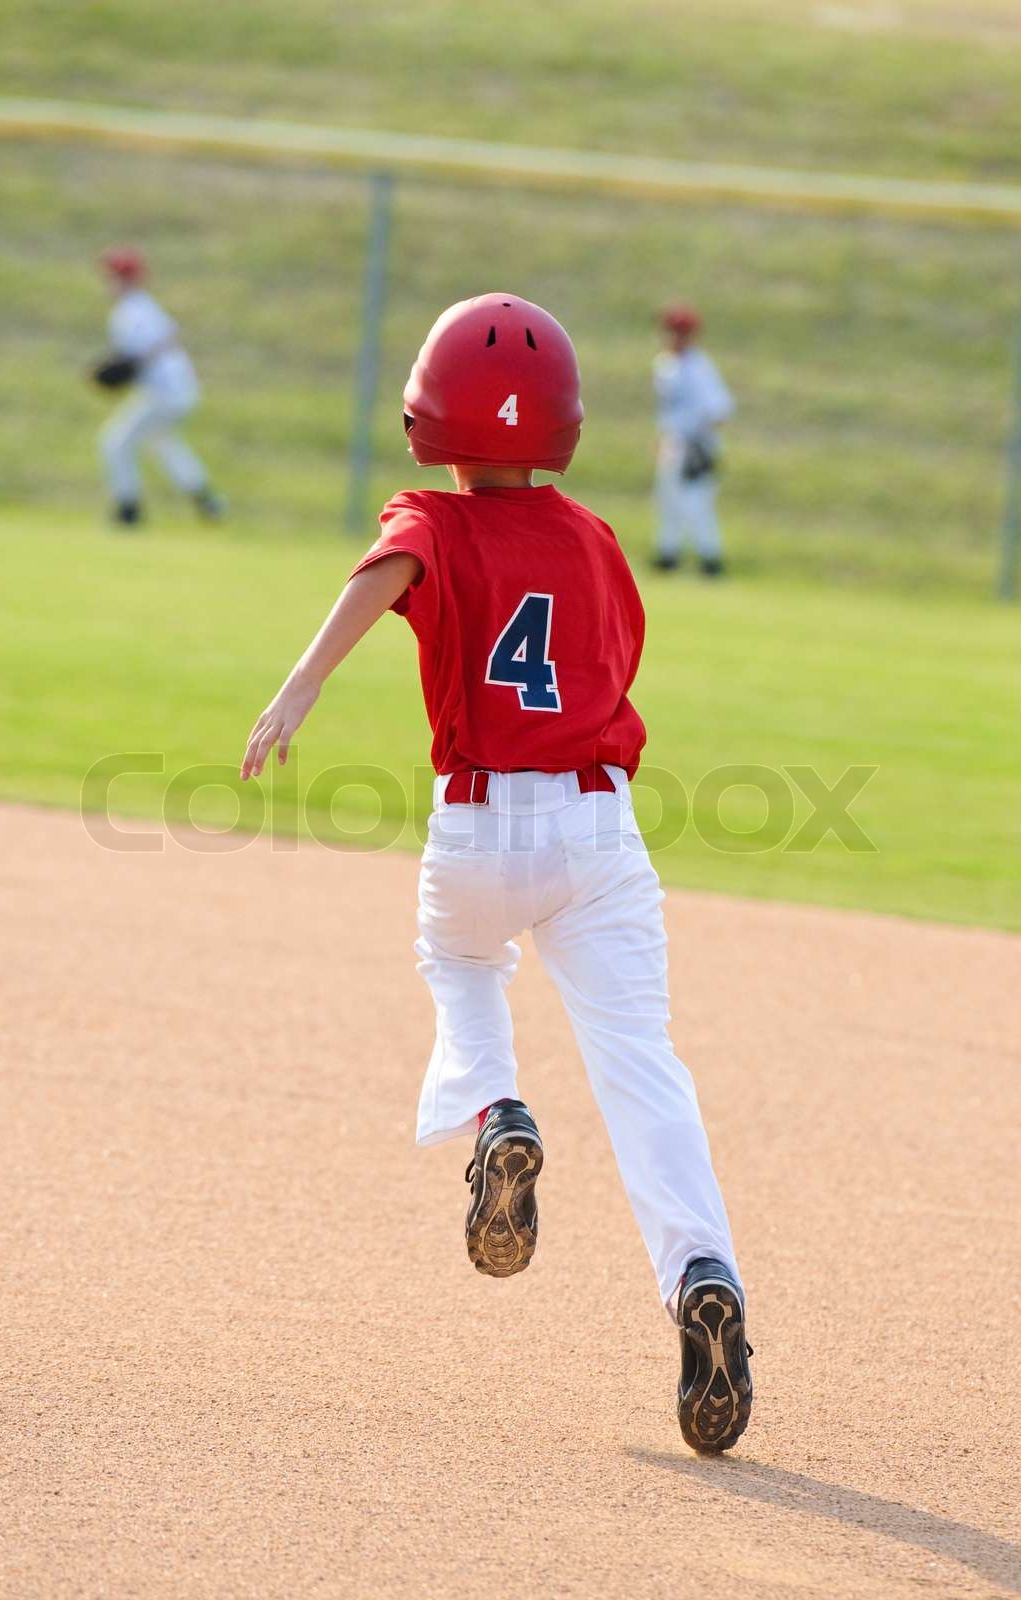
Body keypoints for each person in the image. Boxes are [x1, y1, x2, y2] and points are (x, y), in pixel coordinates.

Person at [240, 294, 752, 1453]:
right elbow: (616, 660)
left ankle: (497, 1111)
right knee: (642, 1066)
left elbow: (389, 569)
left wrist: (305, 681)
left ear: (431, 414)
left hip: (478, 822)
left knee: (458, 958)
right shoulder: (592, 537)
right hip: (596, 830)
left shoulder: (428, 512)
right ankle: (701, 1272)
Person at [94, 247, 224, 528]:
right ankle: (207, 500)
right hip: (179, 391)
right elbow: (169, 335)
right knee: (162, 441)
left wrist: (129, 366)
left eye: (115, 277)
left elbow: (155, 344)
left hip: (164, 393)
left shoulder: (130, 310)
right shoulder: (143, 306)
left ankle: (128, 510)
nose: (111, 283)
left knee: (115, 442)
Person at [653, 302, 734, 576]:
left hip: (696, 444)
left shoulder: (700, 367)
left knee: (696, 503)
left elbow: (720, 409)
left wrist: (698, 442)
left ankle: (710, 559)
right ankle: (668, 555)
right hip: (673, 442)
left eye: (682, 332)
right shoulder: (665, 365)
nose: (676, 337)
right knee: (668, 500)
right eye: (673, 331)